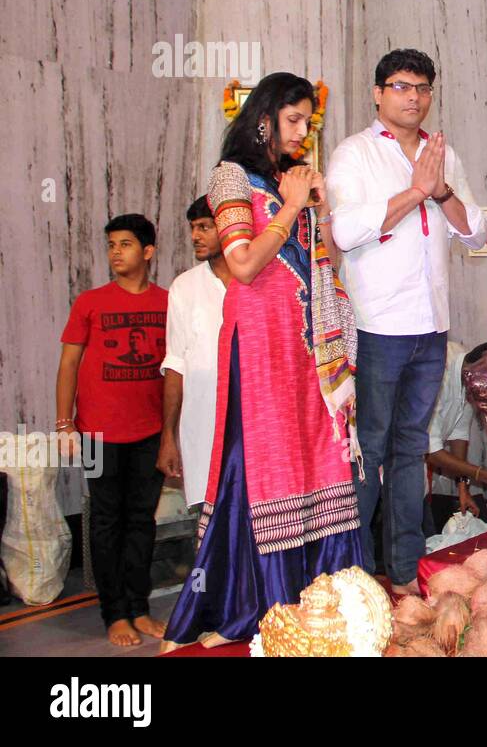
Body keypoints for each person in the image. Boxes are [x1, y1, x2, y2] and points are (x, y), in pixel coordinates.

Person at [162, 73, 361, 649]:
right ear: (265, 118)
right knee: (258, 470)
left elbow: (322, 263)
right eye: (295, 121)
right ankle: (249, 604)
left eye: (309, 122)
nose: (303, 132)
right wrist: (291, 206)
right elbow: (244, 264)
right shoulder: (231, 177)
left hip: (306, 349)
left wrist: (315, 208)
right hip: (259, 346)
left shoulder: (286, 179)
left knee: (312, 463)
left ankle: (318, 597)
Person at [327, 49, 487, 595]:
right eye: (400, 86)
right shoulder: (354, 154)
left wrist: (439, 190)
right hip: (375, 327)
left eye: (422, 88)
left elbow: (476, 233)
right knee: (367, 451)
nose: (413, 97)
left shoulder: (442, 155)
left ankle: (400, 573)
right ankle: (347, 576)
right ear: (378, 93)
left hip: (430, 327)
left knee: (408, 452)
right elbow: (346, 232)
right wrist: (416, 192)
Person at [56, 214, 168, 647]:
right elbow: (68, 364)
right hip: (95, 434)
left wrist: (173, 433)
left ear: (147, 251)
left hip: (151, 431)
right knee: (106, 522)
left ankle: (138, 607)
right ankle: (113, 612)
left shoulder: (166, 301)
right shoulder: (90, 301)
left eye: (124, 244)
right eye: (110, 245)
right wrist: (65, 424)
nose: (116, 252)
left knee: (141, 520)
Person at [157, 197, 231, 508]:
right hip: (203, 428)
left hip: (257, 429)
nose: (195, 236)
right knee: (208, 524)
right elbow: (176, 364)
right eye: (192, 228)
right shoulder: (184, 287)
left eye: (204, 227)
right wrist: (168, 437)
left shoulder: (260, 280)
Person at [424, 340, 487, 533]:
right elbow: (432, 451)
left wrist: (462, 488)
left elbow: (459, 434)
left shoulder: (467, 372)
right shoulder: (439, 372)